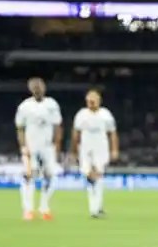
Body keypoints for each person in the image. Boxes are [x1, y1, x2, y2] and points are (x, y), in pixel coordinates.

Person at [15, 77, 63, 220]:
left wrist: (57, 145)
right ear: (31, 89)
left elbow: (57, 126)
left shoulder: (52, 104)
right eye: (34, 87)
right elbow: (20, 128)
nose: (37, 89)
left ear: (44, 88)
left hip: (47, 147)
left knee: (50, 176)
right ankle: (28, 209)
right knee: (29, 176)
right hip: (31, 147)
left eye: (40, 86)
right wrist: (23, 146)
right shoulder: (24, 106)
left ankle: (44, 207)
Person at [71, 89, 118, 218]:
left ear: (99, 101)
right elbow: (75, 134)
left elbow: (112, 133)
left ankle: (96, 208)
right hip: (85, 149)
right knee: (90, 177)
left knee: (98, 176)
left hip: (101, 149)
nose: (91, 103)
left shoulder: (106, 115)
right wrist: (74, 151)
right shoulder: (81, 115)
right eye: (89, 101)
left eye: (93, 101)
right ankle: (96, 208)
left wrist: (114, 149)